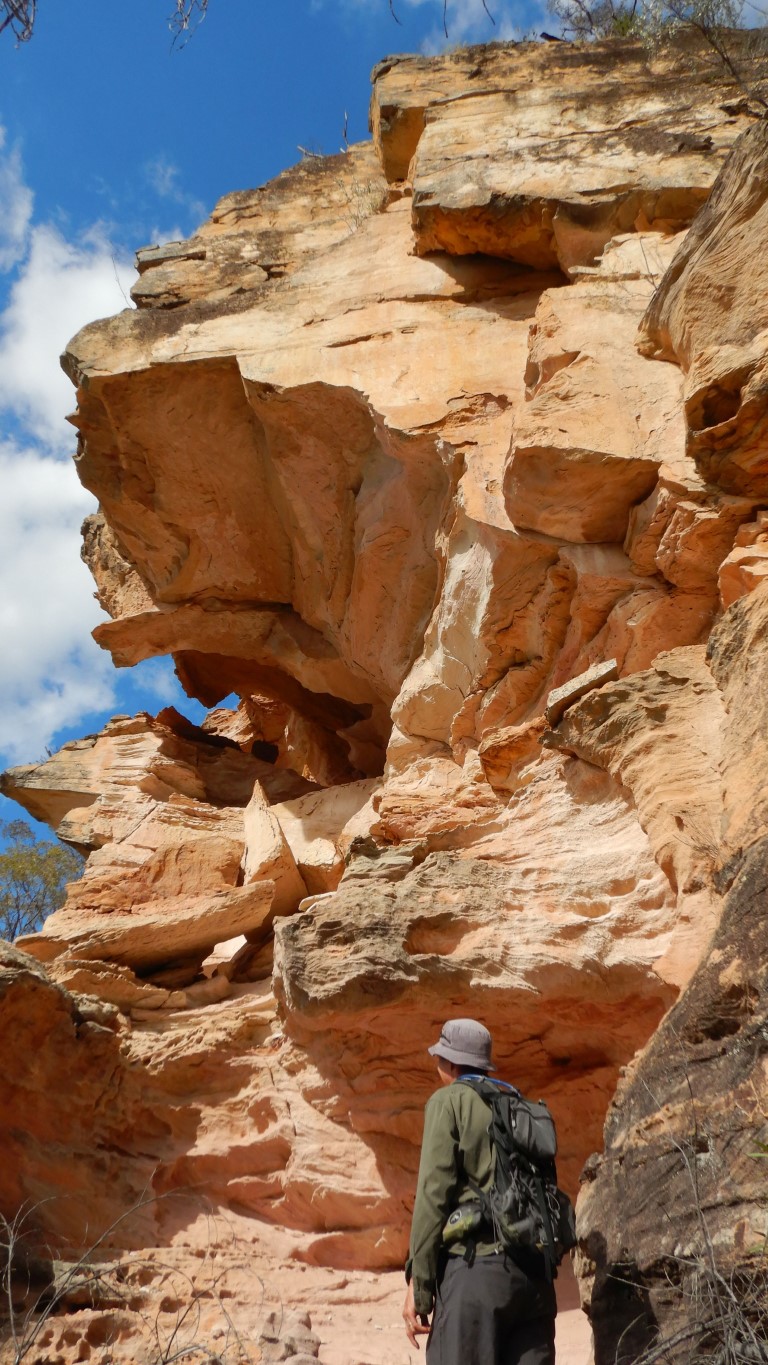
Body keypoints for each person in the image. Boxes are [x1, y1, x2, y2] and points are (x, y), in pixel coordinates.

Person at [403, 1018, 557, 1364]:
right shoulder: (517, 1104)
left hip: (475, 1280)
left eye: (440, 1058)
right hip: (535, 1284)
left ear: (452, 1064)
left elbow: (432, 1194)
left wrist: (420, 1286)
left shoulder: (449, 1102)